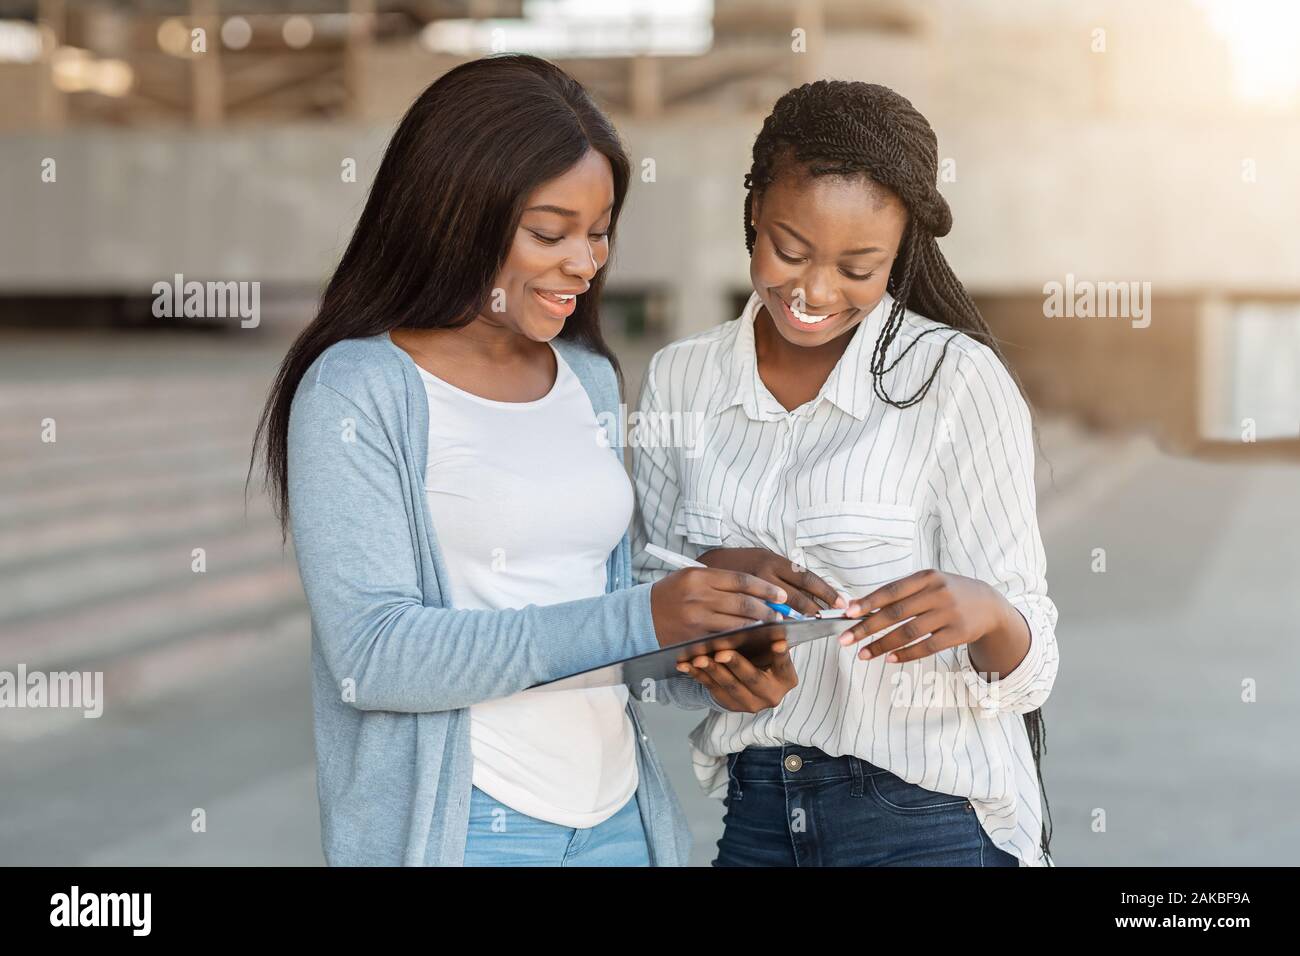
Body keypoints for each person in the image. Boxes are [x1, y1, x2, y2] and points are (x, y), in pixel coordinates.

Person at [249, 54, 795, 867]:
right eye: (551, 233)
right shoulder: (358, 390)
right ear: (456, 214)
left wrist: (709, 646)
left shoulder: (587, 376)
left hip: (620, 822)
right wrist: (644, 615)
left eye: (600, 231)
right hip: (467, 831)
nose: (585, 262)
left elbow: (590, 611)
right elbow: (374, 656)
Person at [632, 79, 1060, 867]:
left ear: (899, 256)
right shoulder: (680, 381)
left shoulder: (956, 381)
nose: (814, 291)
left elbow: (1031, 668)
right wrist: (714, 646)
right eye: (789, 250)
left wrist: (990, 614)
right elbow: (649, 638)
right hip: (759, 816)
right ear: (753, 208)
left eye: (859, 267)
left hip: (926, 822)